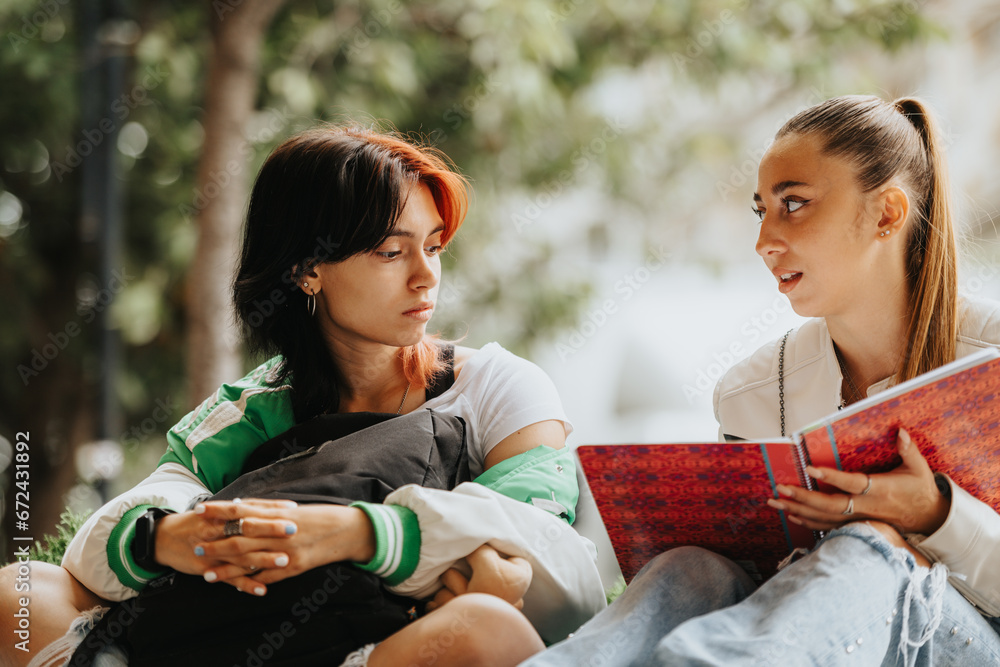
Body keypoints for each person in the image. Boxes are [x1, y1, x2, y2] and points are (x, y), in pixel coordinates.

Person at [0, 126, 605, 667]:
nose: (426, 275)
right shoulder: (251, 407)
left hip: (366, 649)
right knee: (20, 595)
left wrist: (355, 533)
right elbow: (105, 541)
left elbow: (556, 568)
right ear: (307, 270)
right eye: (391, 252)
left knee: (487, 629)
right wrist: (164, 539)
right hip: (214, 637)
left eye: (435, 246)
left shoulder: (499, 389)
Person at [522, 95, 1000, 666]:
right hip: (798, 634)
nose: (764, 240)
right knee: (690, 566)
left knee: (871, 544)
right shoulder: (750, 391)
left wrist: (935, 514)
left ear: (887, 214)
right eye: (761, 211)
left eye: (793, 204)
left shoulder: (990, 354)